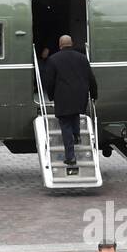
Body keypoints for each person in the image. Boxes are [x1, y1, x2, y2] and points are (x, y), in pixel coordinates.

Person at [40, 34, 96, 176]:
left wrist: (51, 96)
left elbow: (49, 81)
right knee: (75, 115)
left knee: (65, 125)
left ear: (60, 45)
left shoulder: (53, 60)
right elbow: (91, 77)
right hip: (80, 96)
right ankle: (76, 134)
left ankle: (70, 157)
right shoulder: (82, 58)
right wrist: (94, 94)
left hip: (63, 97)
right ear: (71, 43)